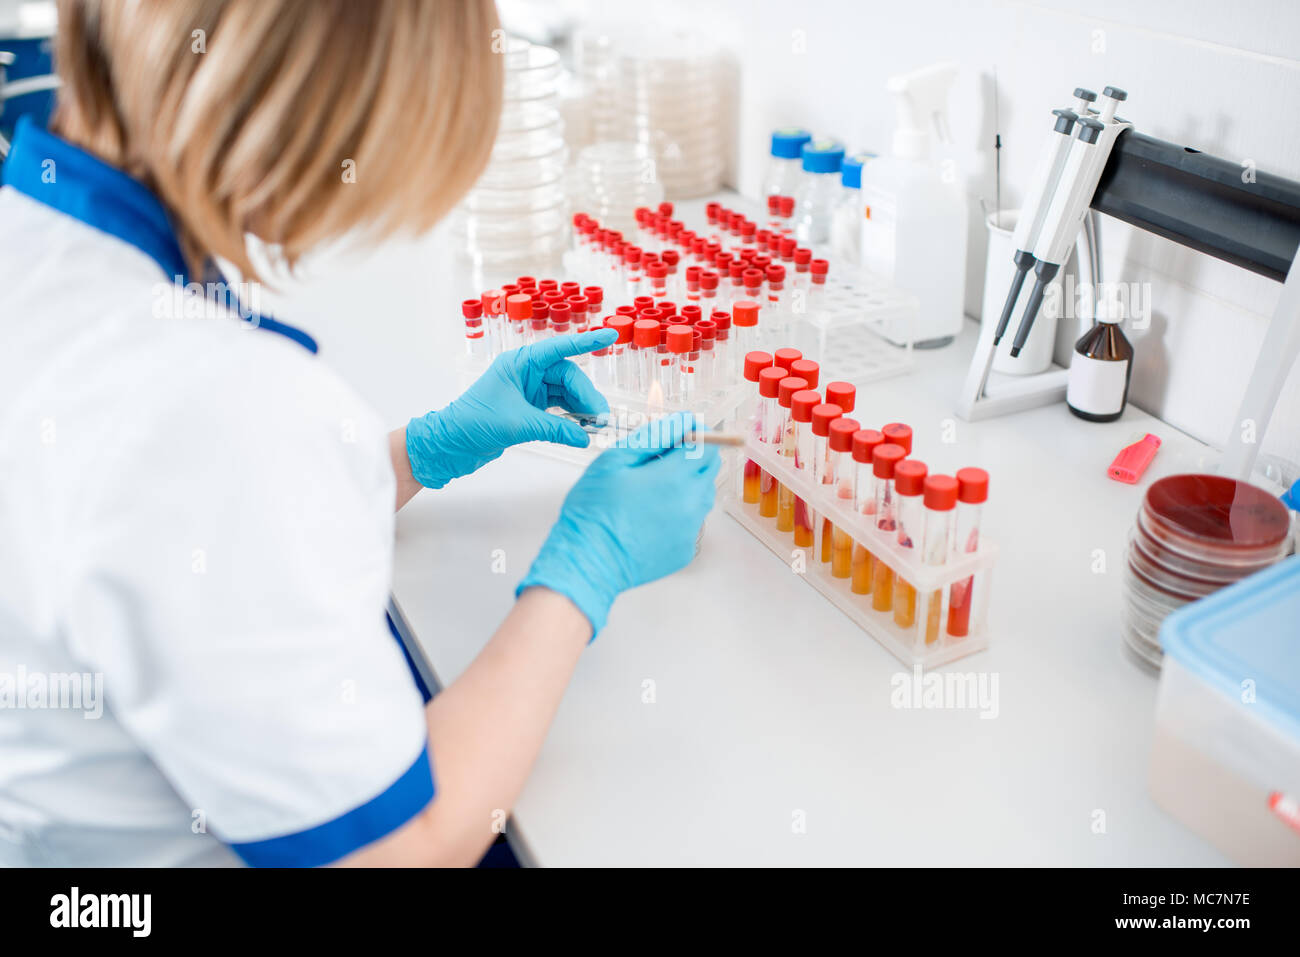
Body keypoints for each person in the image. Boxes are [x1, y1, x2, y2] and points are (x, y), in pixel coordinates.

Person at [0, 0, 718, 867]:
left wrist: (419, 449)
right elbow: (402, 849)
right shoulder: (206, 405)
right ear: (297, 122)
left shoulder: (36, 236)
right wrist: (584, 572)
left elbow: (172, 536)